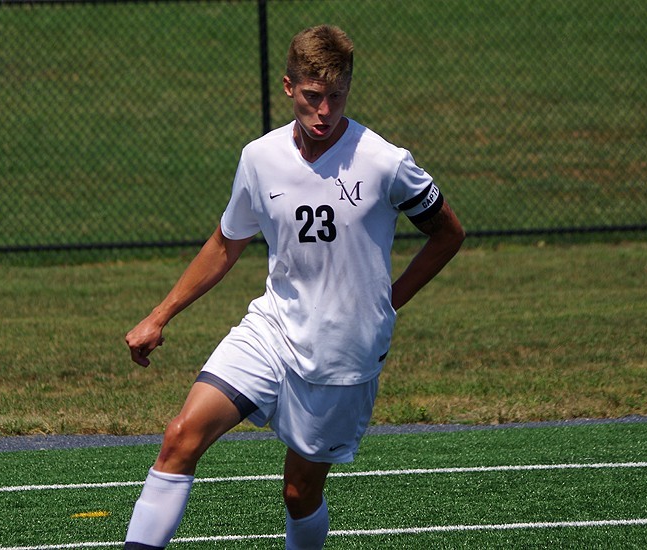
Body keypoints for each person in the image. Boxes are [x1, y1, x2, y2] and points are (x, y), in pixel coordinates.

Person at [123, 24, 465, 549]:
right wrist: (159, 315)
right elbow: (225, 243)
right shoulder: (260, 158)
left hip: (343, 351)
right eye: (312, 96)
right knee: (180, 437)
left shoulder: (384, 162)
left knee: (298, 493)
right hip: (272, 329)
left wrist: (387, 302)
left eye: (336, 96)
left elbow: (448, 234)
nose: (324, 111)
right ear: (288, 87)